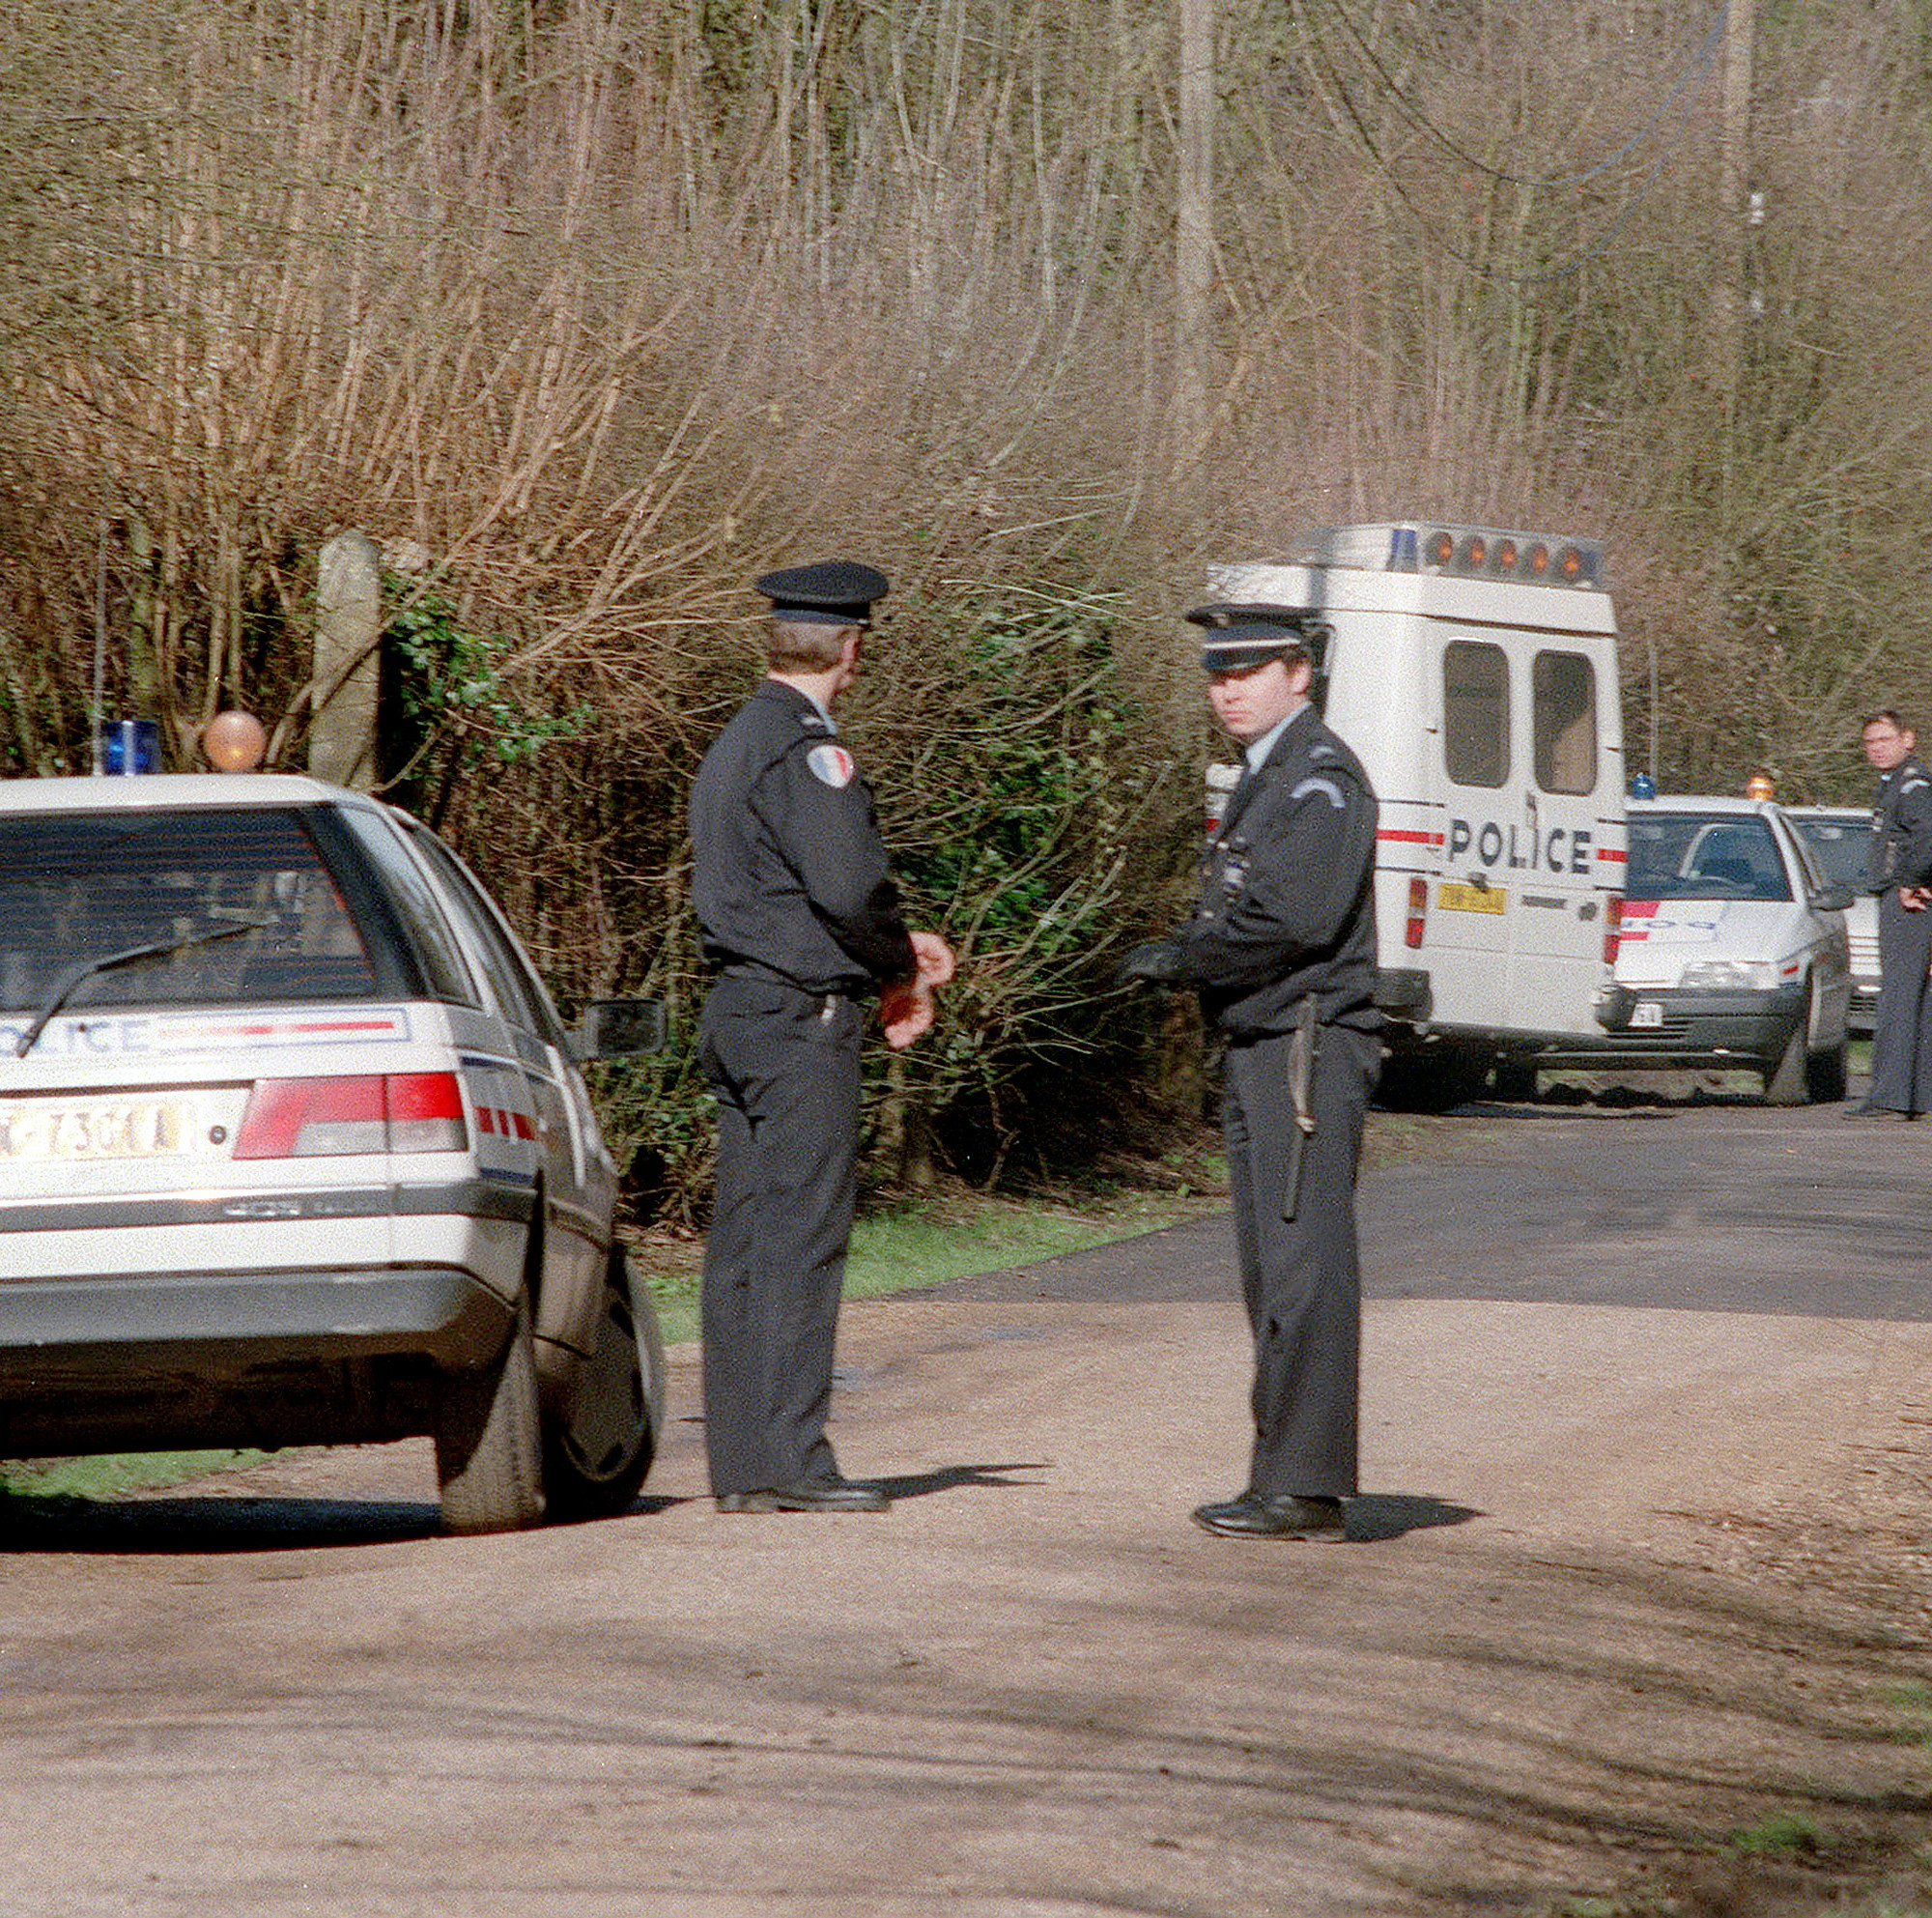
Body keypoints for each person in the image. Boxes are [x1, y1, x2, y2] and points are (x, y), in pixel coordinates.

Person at [690, 559, 955, 1512]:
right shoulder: (811, 752)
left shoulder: (733, 741)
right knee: (801, 1238)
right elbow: (846, 888)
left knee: (745, 1244)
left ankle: (746, 1467)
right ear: (850, 647)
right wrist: (897, 962)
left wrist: (883, 950)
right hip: (802, 1018)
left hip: (737, 1009)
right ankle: (797, 1459)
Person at [1122, 604, 1379, 1541]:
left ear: (1297, 674)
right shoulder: (1264, 775)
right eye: (1215, 670)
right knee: (1269, 1268)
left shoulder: (1317, 776)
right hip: (1262, 1041)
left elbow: (1291, 922)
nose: (1225, 686)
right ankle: (1278, 1473)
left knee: (1302, 1264)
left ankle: (1304, 1487)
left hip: (1304, 1043)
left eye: (1248, 668)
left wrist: (1188, 955)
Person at [1852, 708, 1932, 1119]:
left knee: (1899, 997)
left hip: (1909, 902)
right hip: (1906, 896)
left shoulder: (1912, 786)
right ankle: (1915, 1096)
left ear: (1908, 739)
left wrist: (1911, 880)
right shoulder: (1895, 784)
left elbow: (1927, 834)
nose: (1877, 749)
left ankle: (1889, 1097)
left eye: (1885, 739)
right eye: (1870, 742)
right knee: (1915, 997)